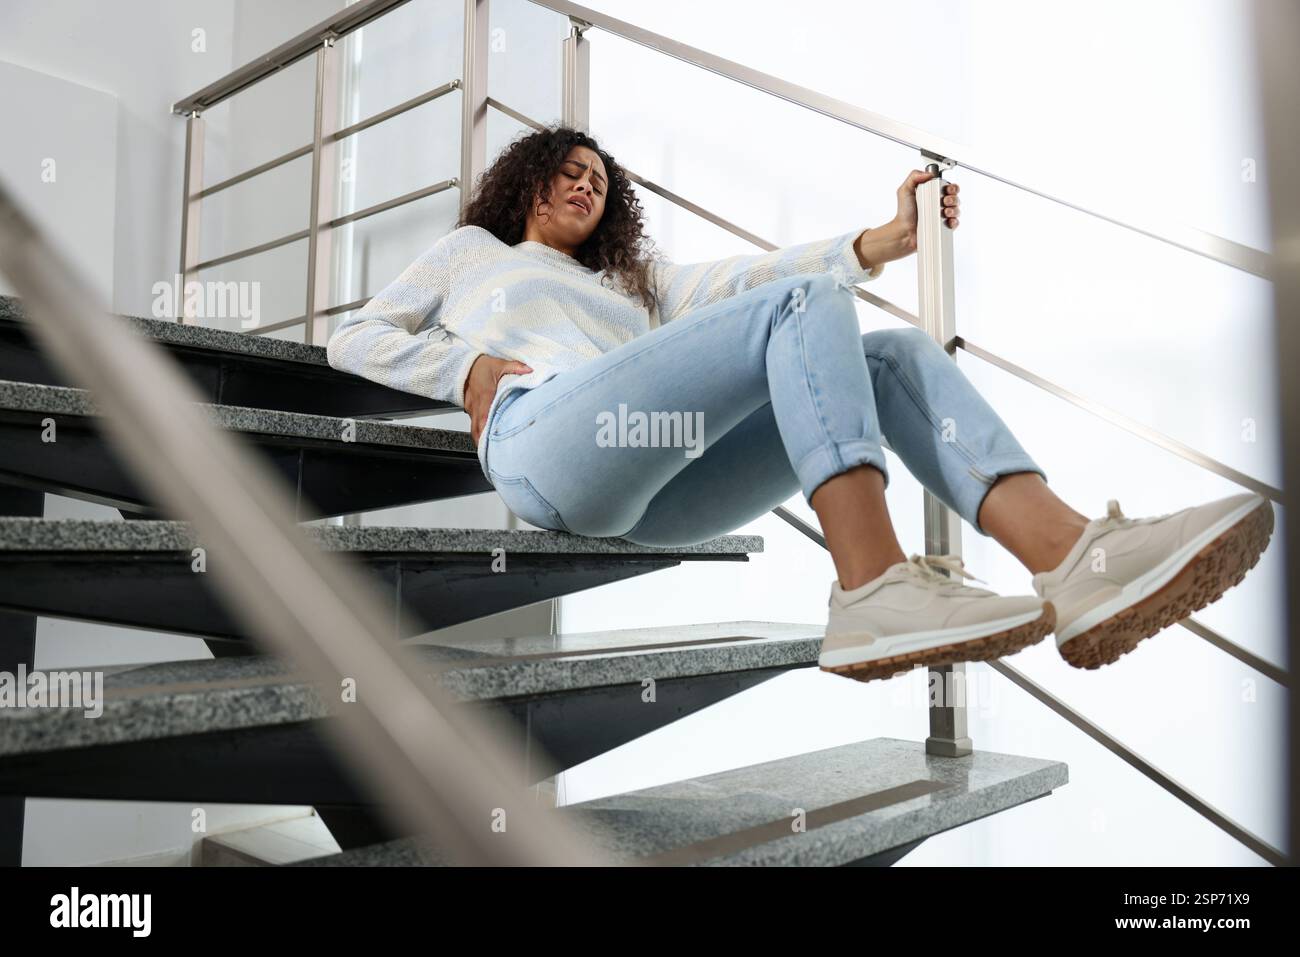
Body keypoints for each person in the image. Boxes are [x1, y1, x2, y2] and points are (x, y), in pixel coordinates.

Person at [327, 124, 1273, 683]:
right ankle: (872, 587)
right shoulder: (471, 258)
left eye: (601, 182)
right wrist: (465, 374)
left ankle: (1076, 558)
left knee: (893, 352)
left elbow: (754, 273)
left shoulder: (635, 290)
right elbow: (354, 337)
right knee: (802, 310)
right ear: (527, 181)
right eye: (570, 170)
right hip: (545, 437)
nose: (585, 184)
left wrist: (881, 240)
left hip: (658, 487)